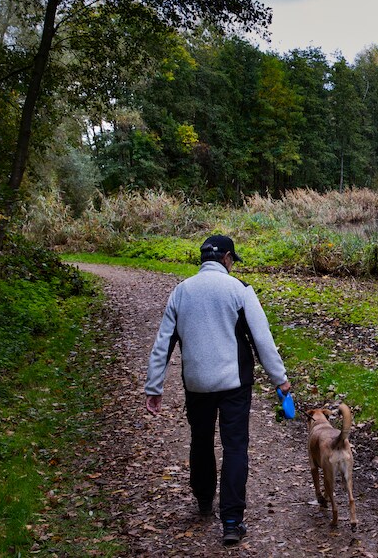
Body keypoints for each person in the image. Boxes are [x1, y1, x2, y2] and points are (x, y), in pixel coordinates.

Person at [144, 234, 291, 547]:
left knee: (201, 441)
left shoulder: (181, 291)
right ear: (226, 259)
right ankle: (232, 521)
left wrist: (154, 386)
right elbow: (262, 339)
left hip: (197, 383)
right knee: (235, 447)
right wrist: (280, 379)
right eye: (232, 260)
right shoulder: (239, 289)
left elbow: (163, 343)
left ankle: (203, 499)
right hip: (234, 383)